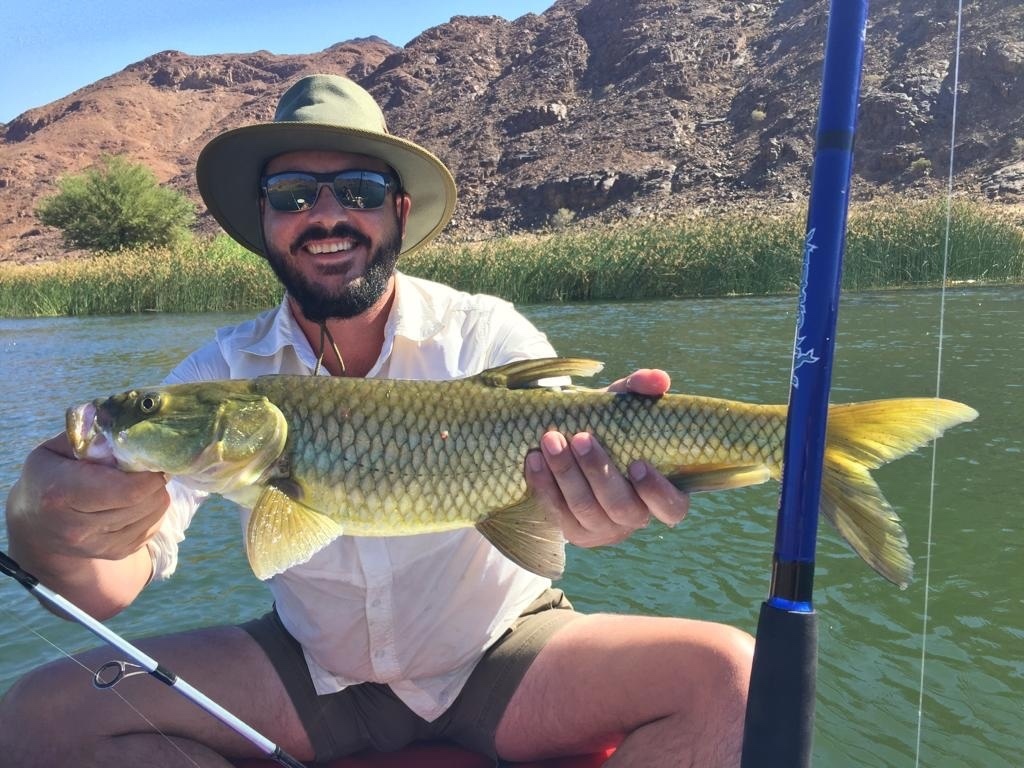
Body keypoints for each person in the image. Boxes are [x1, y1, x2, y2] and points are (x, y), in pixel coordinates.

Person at [0, 75, 753, 767]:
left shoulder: (485, 332)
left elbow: (560, 503)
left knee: (738, 682)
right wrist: (45, 528)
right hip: (309, 675)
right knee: (37, 718)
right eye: (293, 194)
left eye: (357, 190)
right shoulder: (219, 373)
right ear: (263, 220)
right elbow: (109, 585)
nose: (326, 214)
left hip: (505, 656)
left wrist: (594, 510)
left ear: (398, 210)